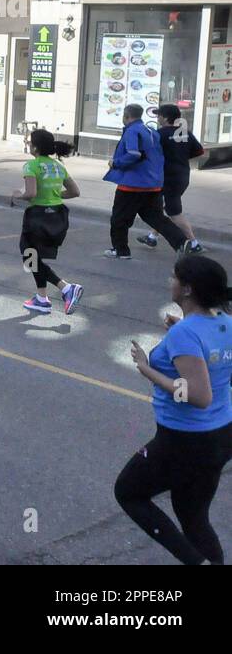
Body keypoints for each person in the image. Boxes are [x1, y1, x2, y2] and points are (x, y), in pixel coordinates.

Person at [116, 255, 232, 565]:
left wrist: (146, 369)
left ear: (187, 289)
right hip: (221, 435)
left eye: (174, 278)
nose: (170, 282)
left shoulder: (186, 334)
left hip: (185, 440)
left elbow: (198, 395)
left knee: (128, 492)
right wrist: (183, 328)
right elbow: (218, 365)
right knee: (193, 517)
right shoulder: (223, 323)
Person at [11, 129, 85, 315]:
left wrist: (17, 195)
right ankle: (42, 298)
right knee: (34, 257)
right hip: (58, 216)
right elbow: (75, 192)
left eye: (29, 142)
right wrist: (54, 194)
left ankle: (66, 287)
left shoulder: (31, 166)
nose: (28, 144)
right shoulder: (58, 166)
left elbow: (31, 194)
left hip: (38, 216)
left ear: (35, 147)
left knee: (29, 255)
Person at [104, 104, 190, 259]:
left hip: (131, 185)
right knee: (156, 218)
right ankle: (181, 242)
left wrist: (115, 163)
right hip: (152, 185)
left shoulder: (132, 131)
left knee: (119, 219)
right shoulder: (151, 131)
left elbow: (133, 154)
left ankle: (121, 250)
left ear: (126, 116)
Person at [139, 104, 205, 253]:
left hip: (167, 178)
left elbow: (148, 154)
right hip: (182, 176)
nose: (157, 117)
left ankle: (194, 243)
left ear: (166, 118)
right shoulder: (186, 133)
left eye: (159, 115)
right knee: (161, 208)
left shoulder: (159, 134)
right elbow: (199, 151)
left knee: (173, 211)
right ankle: (152, 237)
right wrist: (181, 156)